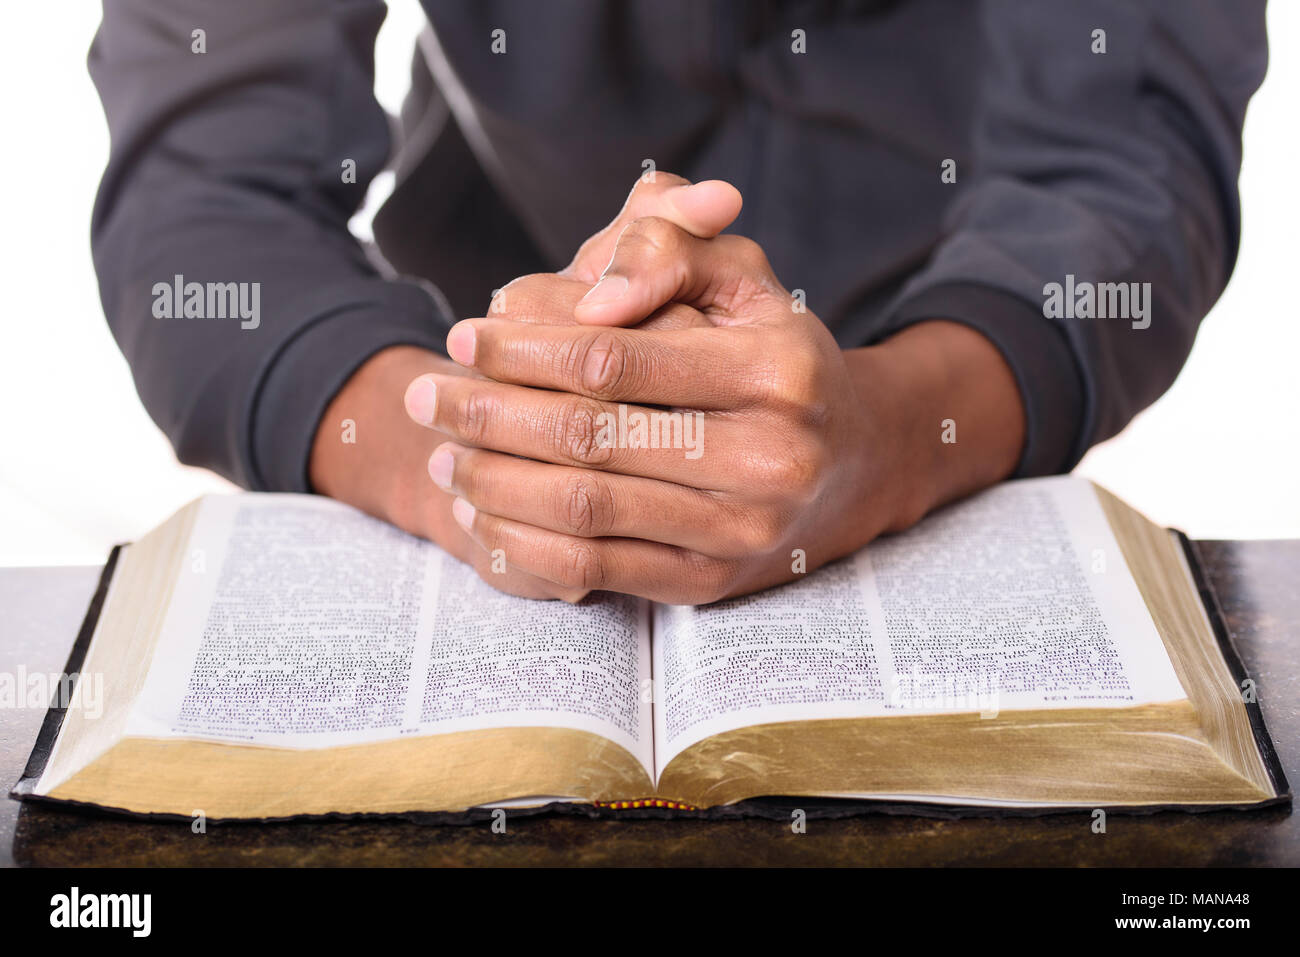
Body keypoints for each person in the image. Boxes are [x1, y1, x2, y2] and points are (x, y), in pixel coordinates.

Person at [88, 1, 1268, 603]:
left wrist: (893, 435)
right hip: (478, 383)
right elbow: (202, 193)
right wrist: (475, 464)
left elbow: (1125, 168)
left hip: (955, 421)